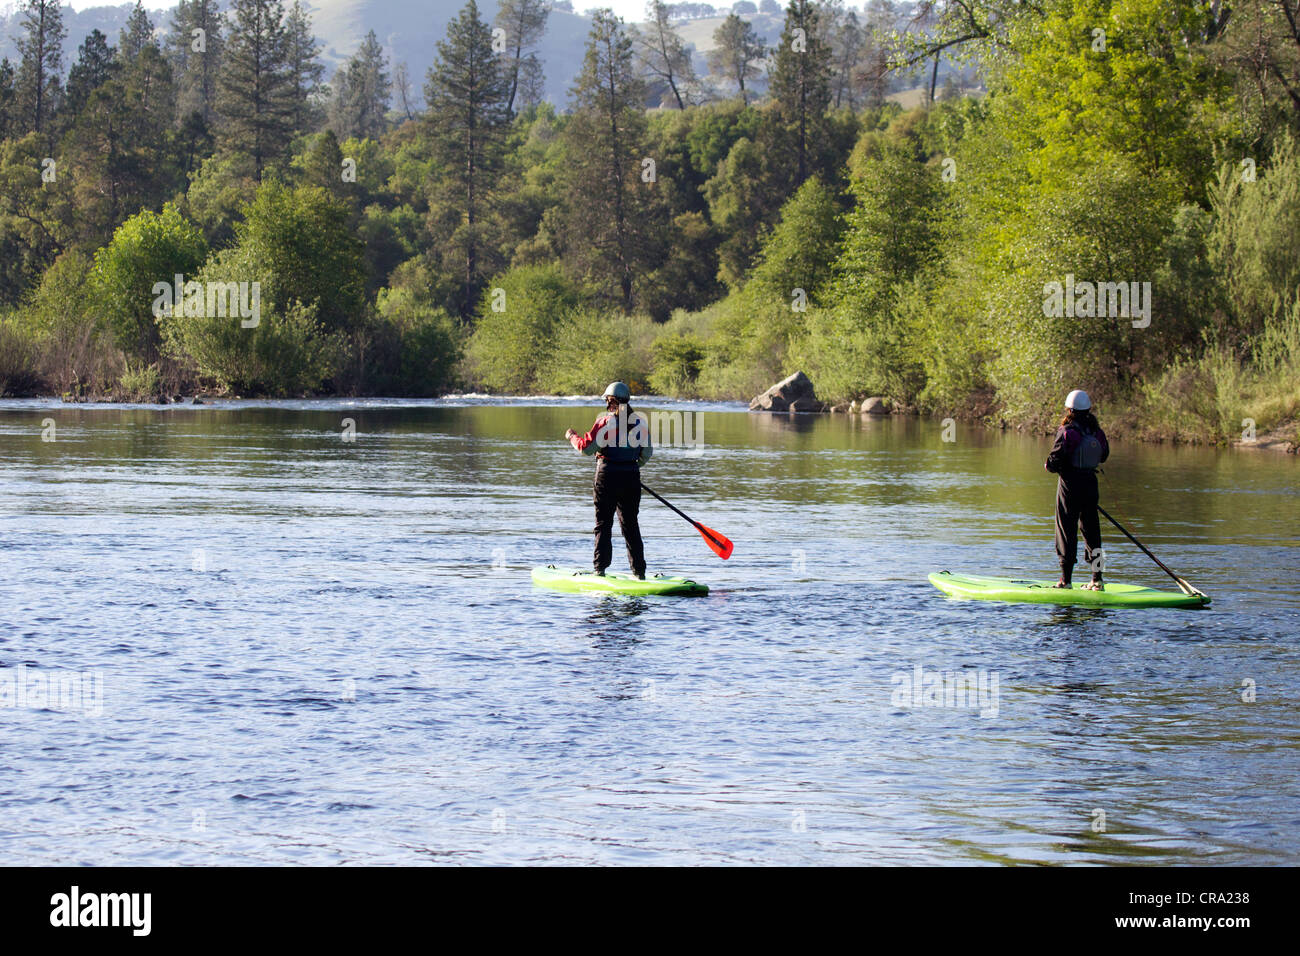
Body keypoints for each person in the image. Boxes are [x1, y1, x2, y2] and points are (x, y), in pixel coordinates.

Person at [565, 382, 653, 578]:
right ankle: (639, 572)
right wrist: (630, 467)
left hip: (606, 477)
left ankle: (600, 570)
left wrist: (572, 436)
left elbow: (586, 449)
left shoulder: (604, 423)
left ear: (611, 401)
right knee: (630, 525)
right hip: (630, 478)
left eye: (607, 400)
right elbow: (647, 453)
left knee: (603, 524)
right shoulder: (640, 423)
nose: (606, 403)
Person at [1045, 389, 1109, 590]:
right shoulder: (1097, 432)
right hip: (1090, 484)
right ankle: (1097, 580)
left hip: (1070, 485)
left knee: (1066, 531)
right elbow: (1103, 456)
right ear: (1088, 409)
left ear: (1070, 409)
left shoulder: (1067, 432)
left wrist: (1049, 465)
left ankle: (1065, 581)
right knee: (1092, 533)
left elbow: (1054, 462)